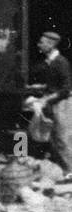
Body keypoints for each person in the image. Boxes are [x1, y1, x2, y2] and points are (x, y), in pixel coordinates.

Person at [30, 31, 72, 171]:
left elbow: (66, 89)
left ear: (51, 44)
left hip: (62, 104)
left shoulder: (61, 62)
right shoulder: (48, 62)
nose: (39, 45)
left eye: (42, 42)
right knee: (54, 139)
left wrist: (47, 98)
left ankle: (70, 172)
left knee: (63, 139)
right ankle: (64, 171)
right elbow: (54, 84)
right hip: (53, 103)